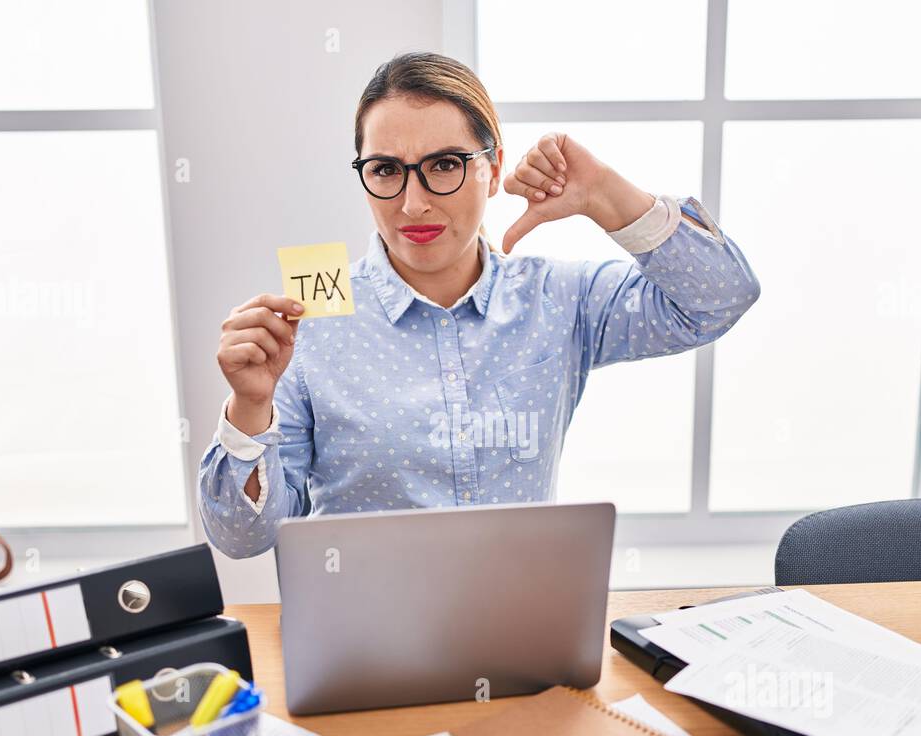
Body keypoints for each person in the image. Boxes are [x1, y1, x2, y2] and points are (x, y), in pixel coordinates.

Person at [199, 52, 760, 558]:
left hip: (521, 628)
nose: (413, 203)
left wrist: (603, 194)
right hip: (366, 642)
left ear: (492, 170)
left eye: (444, 164)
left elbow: (718, 299)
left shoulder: (559, 300)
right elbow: (243, 537)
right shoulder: (309, 326)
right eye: (386, 170)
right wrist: (250, 407)